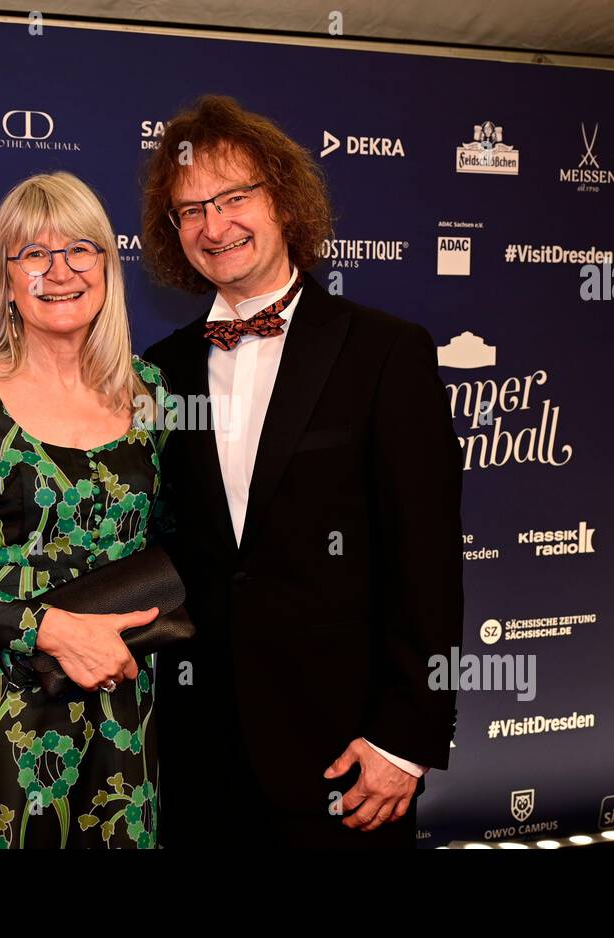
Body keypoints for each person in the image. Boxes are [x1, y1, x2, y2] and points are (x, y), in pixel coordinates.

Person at [141, 95, 465, 848]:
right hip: (196, 753)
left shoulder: (385, 352)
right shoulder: (160, 371)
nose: (214, 227)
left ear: (283, 199)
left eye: (233, 198)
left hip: (347, 754)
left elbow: (428, 559)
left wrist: (405, 739)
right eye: (190, 211)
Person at [0, 171, 173, 849]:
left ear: (106, 264)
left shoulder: (152, 394)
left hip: (122, 717)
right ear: (8, 279)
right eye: (33, 254)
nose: (59, 270)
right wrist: (46, 629)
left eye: (79, 249)